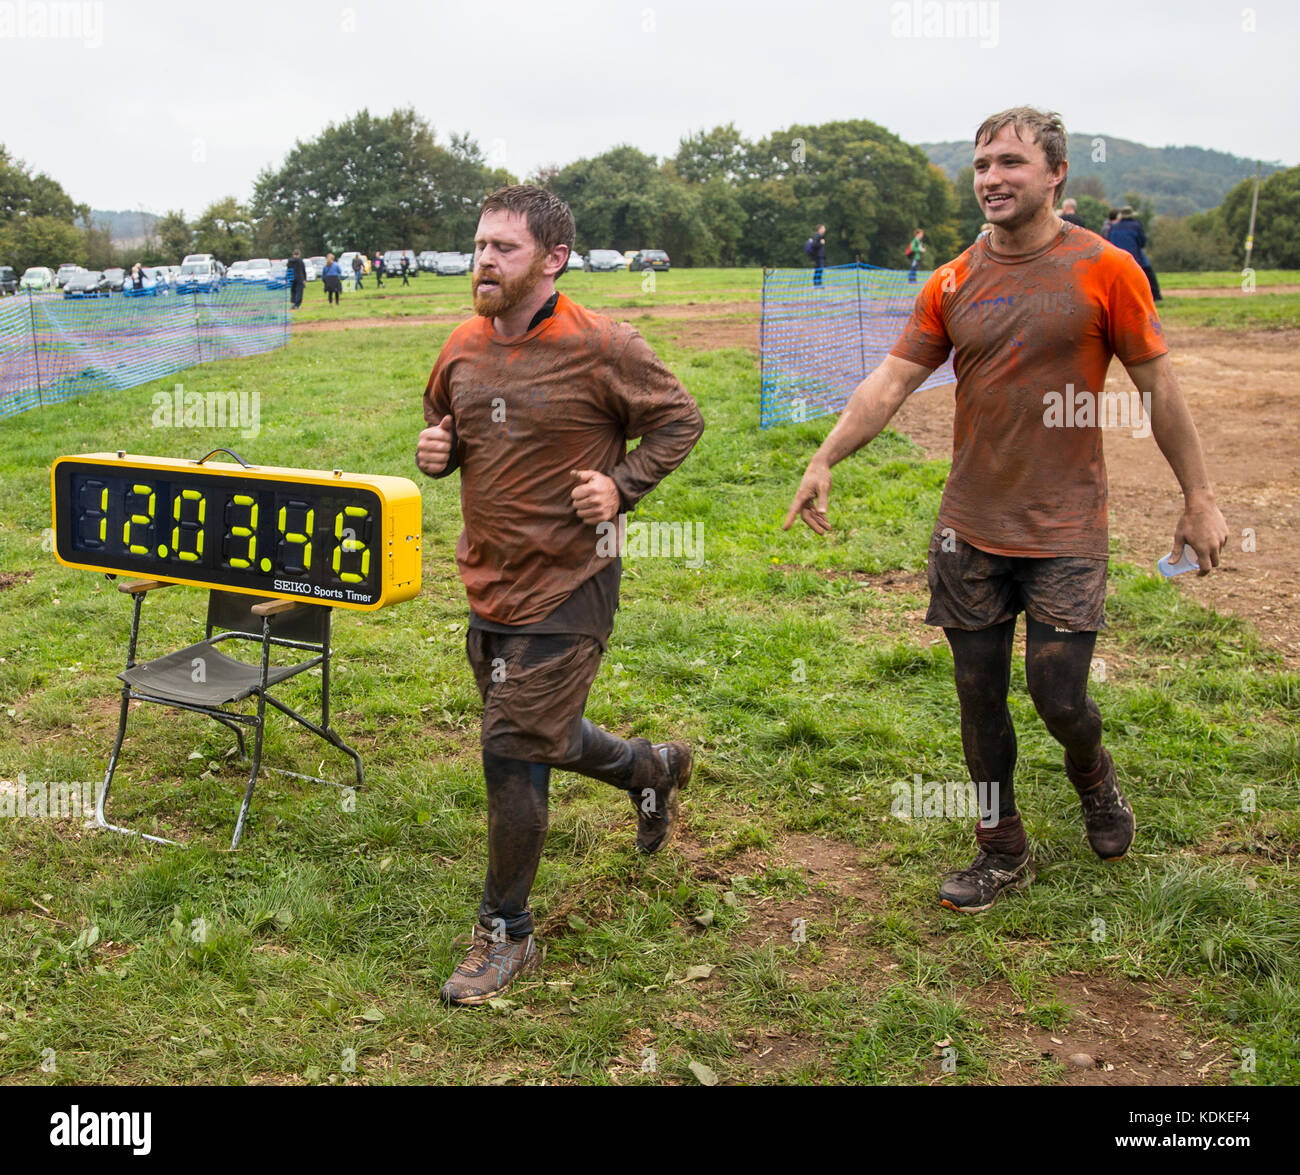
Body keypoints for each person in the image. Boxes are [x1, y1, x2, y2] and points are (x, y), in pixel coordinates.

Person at [785, 106, 1227, 915]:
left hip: (1065, 525)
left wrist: (1197, 496)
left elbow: (1159, 391)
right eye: (982, 164)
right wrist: (824, 459)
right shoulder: (951, 281)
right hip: (970, 527)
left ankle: (1095, 777)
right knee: (977, 693)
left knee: (1060, 695)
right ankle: (1001, 846)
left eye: (1011, 163)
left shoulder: (1104, 270)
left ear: (1055, 173)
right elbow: (888, 382)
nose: (991, 178)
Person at [416, 185, 705, 1005]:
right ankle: (651, 769)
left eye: (503, 248)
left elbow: (681, 419)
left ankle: (505, 931)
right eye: (479, 245)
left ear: (553, 260)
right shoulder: (462, 346)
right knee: (538, 734)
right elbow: (444, 420)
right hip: (489, 577)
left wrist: (621, 487)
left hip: (572, 581)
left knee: (510, 749)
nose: (484, 260)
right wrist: (436, 451)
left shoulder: (603, 344)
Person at [1108, 205, 1162, 301]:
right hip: (1133, 257)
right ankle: (1156, 296)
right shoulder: (1136, 225)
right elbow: (1142, 242)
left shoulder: (1113, 227)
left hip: (1116, 257)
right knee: (1148, 272)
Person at [810, 223, 827, 288]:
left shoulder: (818, 235)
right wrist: (821, 243)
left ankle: (817, 284)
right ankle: (817, 284)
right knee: (819, 270)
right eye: (823, 228)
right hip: (818, 256)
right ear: (820, 229)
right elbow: (814, 245)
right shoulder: (817, 235)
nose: (825, 229)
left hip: (819, 256)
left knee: (818, 270)